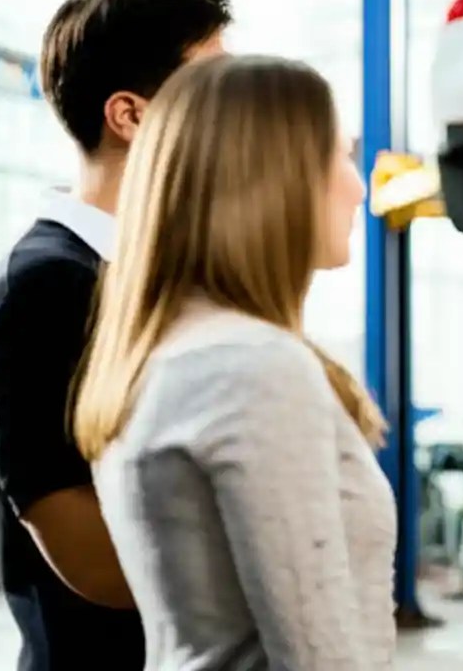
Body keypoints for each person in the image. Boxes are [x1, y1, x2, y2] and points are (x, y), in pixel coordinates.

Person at [72, 54, 397, 670]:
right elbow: (318, 658)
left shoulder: (169, 352)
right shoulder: (252, 368)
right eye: (339, 157)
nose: (358, 186)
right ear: (269, 179)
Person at [0, 0, 230, 670]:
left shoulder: (153, 276)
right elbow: (94, 564)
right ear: (131, 116)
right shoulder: (48, 287)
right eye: (213, 93)